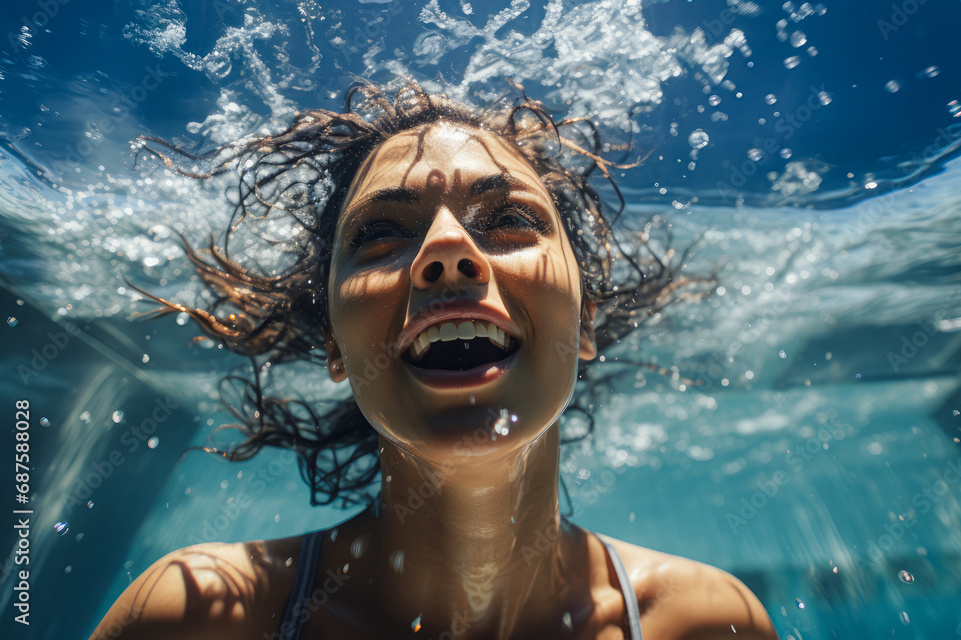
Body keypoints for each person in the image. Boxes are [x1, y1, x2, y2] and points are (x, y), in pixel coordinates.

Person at [92, 83, 777, 640]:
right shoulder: (199, 619)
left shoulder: (705, 622)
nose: (447, 252)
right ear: (334, 341)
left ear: (587, 319)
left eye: (509, 218)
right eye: (383, 233)